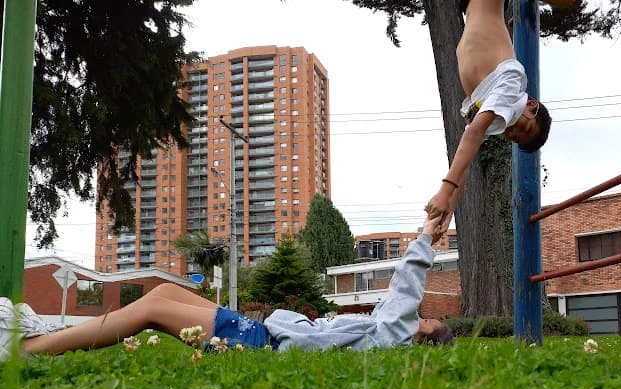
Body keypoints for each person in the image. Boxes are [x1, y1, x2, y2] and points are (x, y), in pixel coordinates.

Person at [0, 213, 454, 361]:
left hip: (255, 342)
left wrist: (426, 238)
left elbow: (405, 288)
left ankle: (30, 350)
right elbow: (399, 300)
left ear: (420, 337)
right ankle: (45, 334)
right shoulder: (385, 333)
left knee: (149, 309)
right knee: (160, 296)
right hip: (259, 332)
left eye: (423, 321)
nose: (417, 315)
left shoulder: (393, 336)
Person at [425, 0, 572, 232]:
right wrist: (444, 190)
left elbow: (466, 157)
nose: (513, 130)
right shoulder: (511, 86)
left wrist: (447, 211)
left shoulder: (489, 114)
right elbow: (474, 133)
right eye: (525, 127)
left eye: (514, 137)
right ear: (530, 105)